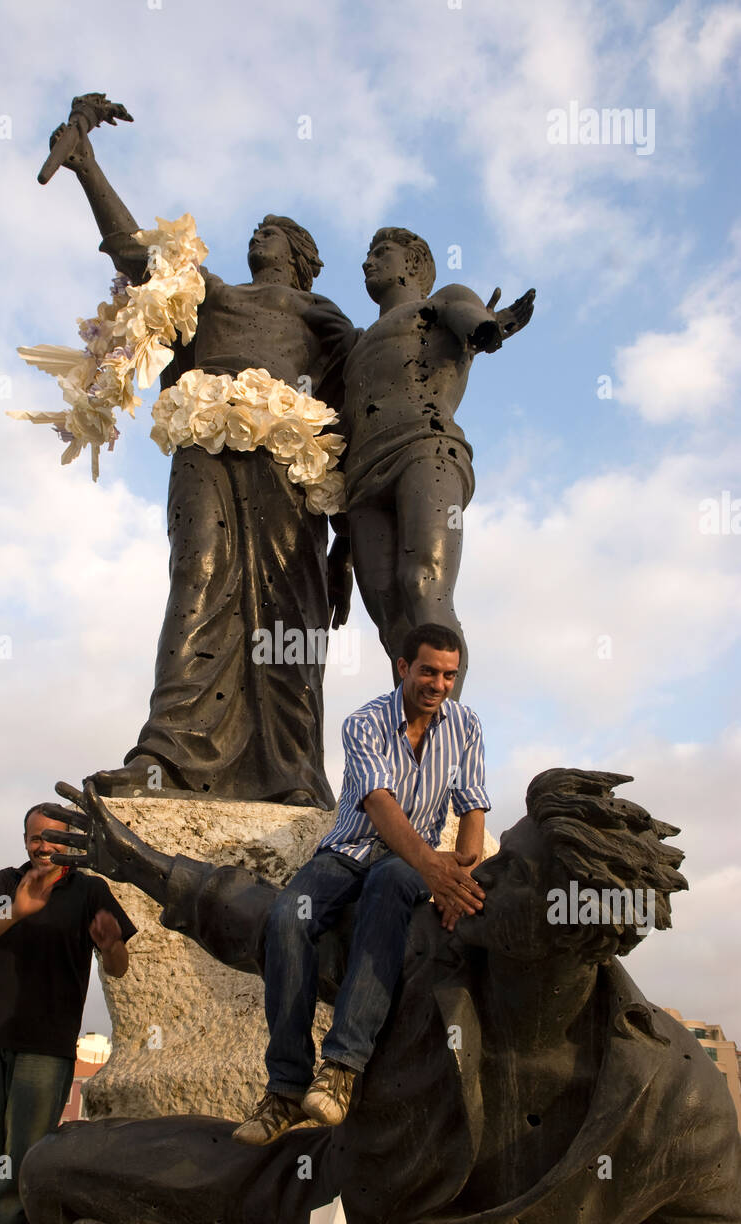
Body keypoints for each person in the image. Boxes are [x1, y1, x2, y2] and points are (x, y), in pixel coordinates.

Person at [23, 769, 741, 1224]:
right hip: (318, 1185)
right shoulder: (429, 945)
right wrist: (139, 862)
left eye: (513, 872)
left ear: (567, 923)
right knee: (51, 1168)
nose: (480, 871)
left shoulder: (675, 1103)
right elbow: (278, 926)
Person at [51, 110, 357, 808]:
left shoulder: (322, 318)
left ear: (300, 256)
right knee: (196, 578)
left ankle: (292, 773)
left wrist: (346, 554)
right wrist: (86, 165)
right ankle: (168, 757)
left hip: (291, 461)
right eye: (258, 229)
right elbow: (138, 258)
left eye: (272, 230)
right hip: (205, 442)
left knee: (288, 611)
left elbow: (365, 411)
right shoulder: (211, 293)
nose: (258, 235)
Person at [233, 620, 489, 1143]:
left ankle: (343, 1067)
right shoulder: (364, 722)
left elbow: (473, 805)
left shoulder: (467, 725)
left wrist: (460, 874)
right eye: (428, 671)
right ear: (402, 668)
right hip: (349, 851)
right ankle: (284, 1088)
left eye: (449, 675)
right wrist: (431, 865)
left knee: (390, 885)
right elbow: (378, 803)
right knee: (287, 917)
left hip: (404, 866)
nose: (438, 684)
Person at [342, 227, 534, 694]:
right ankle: (409, 734)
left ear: (414, 263)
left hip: (426, 448)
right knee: (389, 612)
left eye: (381, 253)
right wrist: (337, 550)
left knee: (423, 582)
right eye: (367, 255)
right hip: (362, 481)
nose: (368, 263)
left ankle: (443, 727)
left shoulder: (440, 302)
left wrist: (488, 328)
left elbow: (470, 319)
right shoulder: (356, 347)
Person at [0, 804, 136, 1224]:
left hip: (46, 1046)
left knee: (22, 1158)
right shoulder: (6, 882)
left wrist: (110, 944)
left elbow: (117, 967)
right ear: (25, 840)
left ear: (73, 842)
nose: (44, 846)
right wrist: (16, 910)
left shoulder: (92, 891)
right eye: (36, 837)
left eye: (54, 838)